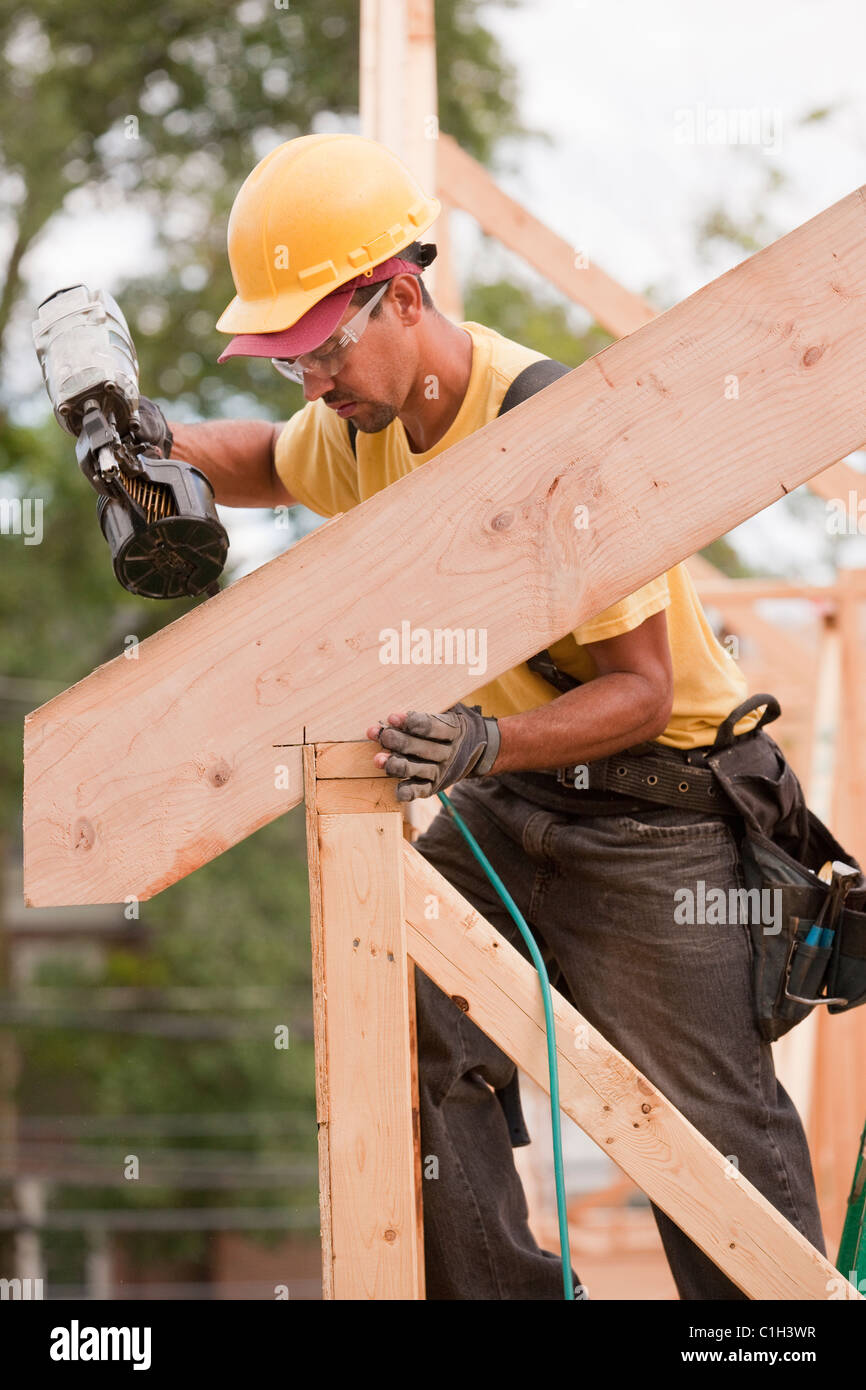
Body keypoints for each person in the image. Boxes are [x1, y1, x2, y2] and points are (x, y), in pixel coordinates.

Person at [156, 133, 825, 1299]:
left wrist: (481, 740)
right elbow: (262, 458)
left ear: (399, 296)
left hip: (659, 814)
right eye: (288, 362)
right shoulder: (368, 423)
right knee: (390, 1026)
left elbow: (643, 689)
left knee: (709, 1147)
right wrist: (145, 442)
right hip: (515, 796)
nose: (309, 383)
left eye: (316, 350)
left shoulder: (544, 435)